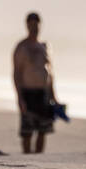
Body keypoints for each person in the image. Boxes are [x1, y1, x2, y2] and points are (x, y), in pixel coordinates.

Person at [13, 12, 60, 154]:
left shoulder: (45, 46)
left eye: (36, 24)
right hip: (28, 92)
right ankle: (27, 160)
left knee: (43, 130)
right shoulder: (22, 47)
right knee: (27, 131)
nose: (34, 27)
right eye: (31, 24)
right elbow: (16, 73)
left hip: (44, 93)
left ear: (40, 25)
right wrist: (20, 97)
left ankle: (38, 159)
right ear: (26, 25)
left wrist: (54, 97)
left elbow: (50, 73)